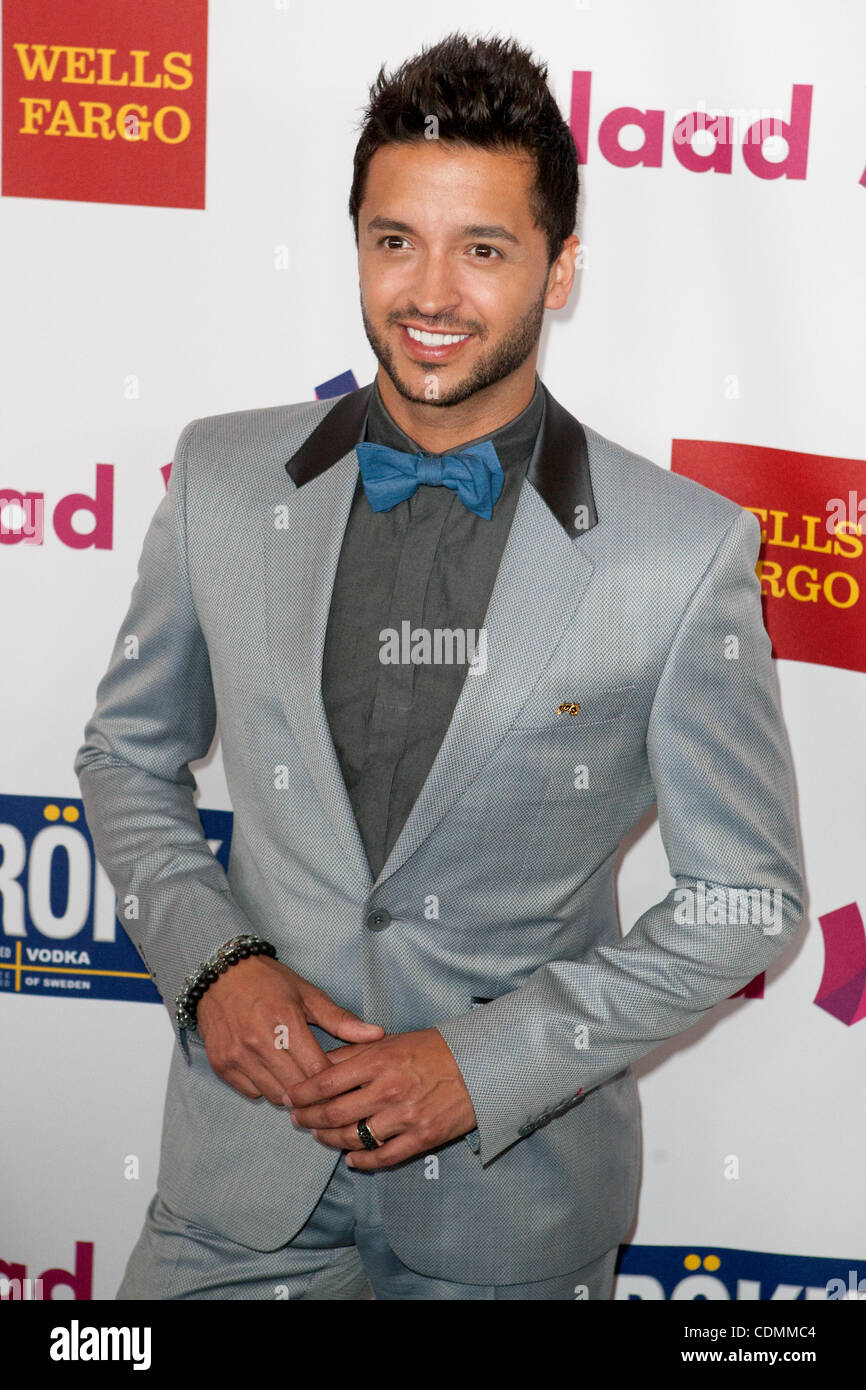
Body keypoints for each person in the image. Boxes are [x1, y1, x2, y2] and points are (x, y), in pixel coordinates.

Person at [74, 32, 805, 1301]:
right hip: (237, 1181)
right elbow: (124, 757)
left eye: (483, 248)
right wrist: (212, 965)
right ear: (355, 240)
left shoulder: (680, 553)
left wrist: (485, 1062)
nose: (428, 291)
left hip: (509, 1216)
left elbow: (748, 897)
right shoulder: (221, 480)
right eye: (394, 238)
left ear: (559, 267)